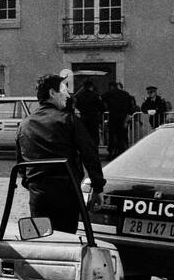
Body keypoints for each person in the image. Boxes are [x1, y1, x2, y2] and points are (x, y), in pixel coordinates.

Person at [16, 74, 105, 235]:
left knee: (40, 240)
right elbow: (89, 154)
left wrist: (31, 184)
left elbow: (21, 164)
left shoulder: (25, 124)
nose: (67, 95)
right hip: (66, 194)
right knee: (65, 241)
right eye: (64, 90)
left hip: (38, 195)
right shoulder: (68, 120)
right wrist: (98, 187)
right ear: (52, 93)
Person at [101, 81, 135, 157]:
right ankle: (122, 152)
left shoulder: (109, 93)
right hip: (123, 118)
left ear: (111, 87)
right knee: (122, 136)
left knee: (112, 136)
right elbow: (130, 107)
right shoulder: (126, 94)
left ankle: (112, 152)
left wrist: (104, 108)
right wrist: (126, 119)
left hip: (113, 117)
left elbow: (101, 99)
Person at [74, 80, 105, 148]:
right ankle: (94, 152)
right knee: (94, 136)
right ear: (92, 87)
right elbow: (102, 107)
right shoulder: (96, 95)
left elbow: (77, 106)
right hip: (93, 118)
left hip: (84, 118)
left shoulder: (79, 96)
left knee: (84, 136)